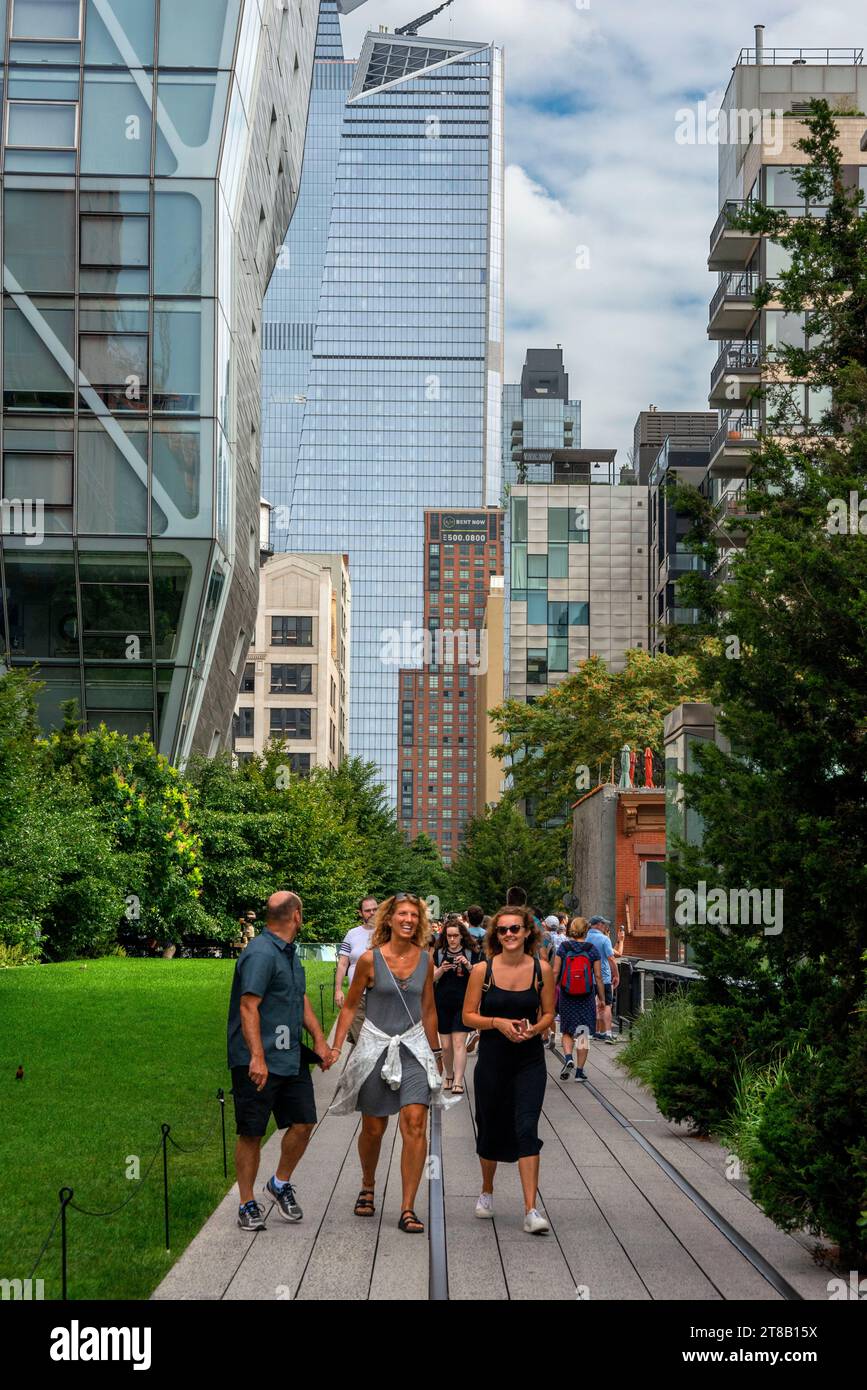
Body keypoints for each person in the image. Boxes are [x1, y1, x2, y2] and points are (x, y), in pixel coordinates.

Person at [328, 893, 454, 1235]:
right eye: (402, 914)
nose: (409, 919)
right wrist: (337, 1047)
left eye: (415, 914)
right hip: (376, 1048)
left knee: (415, 1123)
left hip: (413, 1050)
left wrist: (437, 1054)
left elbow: (428, 1010)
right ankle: (368, 1185)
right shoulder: (369, 960)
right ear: (389, 919)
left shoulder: (426, 961)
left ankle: (408, 1207)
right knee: (373, 1128)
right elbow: (351, 1006)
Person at [226, 891, 334, 1231]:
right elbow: (248, 1006)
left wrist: (319, 1039)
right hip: (256, 1061)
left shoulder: (288, 954)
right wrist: (257, 1057)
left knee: (303, 1123)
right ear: (297, 917)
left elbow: (297, 997)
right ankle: (246, 1203)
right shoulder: (260, 954)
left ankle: (279, 1182)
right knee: (252, 1132)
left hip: (290, 1055)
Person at [462, 906, 556, 1235]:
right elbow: (468, 1016)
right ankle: (487, 1190)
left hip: (529, 1061)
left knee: (527, 1127)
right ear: (495, 935)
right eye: (502, 930)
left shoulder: (541, 969)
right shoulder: (482, 971)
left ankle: (531, 1209)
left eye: (515, 928)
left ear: (528, 931)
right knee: (489, 1126)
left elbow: (548, 1014)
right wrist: (497, 1023)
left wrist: (535, 1030)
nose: (509, 935)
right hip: (492, 1060)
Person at [553, 917, 605, 1082]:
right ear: (586, 930)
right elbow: (598, 976)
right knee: (583, 1031)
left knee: (567, 1029)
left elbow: (555, 972)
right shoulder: (592, 949)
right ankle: (580, 1071)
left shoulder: (564, 947)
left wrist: (551, 991)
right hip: (586, 996)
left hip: (567, 994)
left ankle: (568, 1058)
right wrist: (602, 998)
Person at [431, 917, 475, 1095]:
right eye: (449, 936)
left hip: (463, 1003)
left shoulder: (471, 952)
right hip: (442, 1003)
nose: (452, 939)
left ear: (462, 936)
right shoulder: (439, 953)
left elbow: (478, 977)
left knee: (459, 1043)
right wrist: (441, 970)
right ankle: (449, 1075)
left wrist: (467, 965)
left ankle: (458, 1080)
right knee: (446, 1045)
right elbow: (431, 978)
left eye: (455, 936)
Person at [333, 895, 378, 1046]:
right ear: (360, 913)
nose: (372, 913)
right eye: (368, 910)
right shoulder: (352, 934)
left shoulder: (388, 933)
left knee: (378, 1042)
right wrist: (338, 989)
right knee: (361, 1041)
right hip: (357, 996)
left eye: (375, 909)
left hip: (381, 997)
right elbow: (342, 964)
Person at [587, 915, 620, 1044]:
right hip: (604, 978)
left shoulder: (584, 938)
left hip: (588, 978)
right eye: (603, 924)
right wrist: (616, 975)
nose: (605, 926)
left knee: (590, 1005)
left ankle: (592, 1032)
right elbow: (611, 959)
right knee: (606, 1005)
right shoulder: (604, 939)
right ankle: (607, 1033)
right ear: (598, 925)